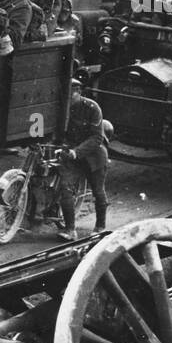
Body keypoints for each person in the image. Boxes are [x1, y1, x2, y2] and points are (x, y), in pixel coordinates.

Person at [58, 78, 109, 240]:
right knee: (65, 189)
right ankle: (70, 230)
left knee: (98, 191)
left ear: (78, 93)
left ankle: (100, 226)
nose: (68, 100)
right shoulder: (61, 108)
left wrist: (76, 152)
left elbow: (97, 138)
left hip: (94, 156)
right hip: (72, 155)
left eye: (71, 95)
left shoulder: (92, 108)